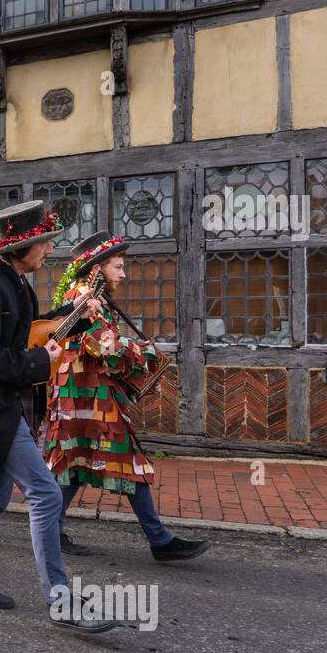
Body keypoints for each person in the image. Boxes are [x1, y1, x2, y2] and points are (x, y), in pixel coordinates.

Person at [0, 201, 116, 634]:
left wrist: (74, 320)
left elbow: (31, 333)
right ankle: (60, 601)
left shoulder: (16, 283)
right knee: (46, 494)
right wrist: (38, 363)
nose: (48, 248)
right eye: (42, 242)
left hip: (7, 405)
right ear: (18, 248)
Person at [44, 231, 209, 562]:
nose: (123, 274)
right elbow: (102, 345)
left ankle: (52, 532)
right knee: (123, 461)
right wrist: (144, 353)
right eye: (117, 267)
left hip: (87, 398)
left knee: (75, 466)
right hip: (83, 399)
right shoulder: (83, 296)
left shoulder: (94, 297)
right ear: (99, 267)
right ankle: (159, 540)